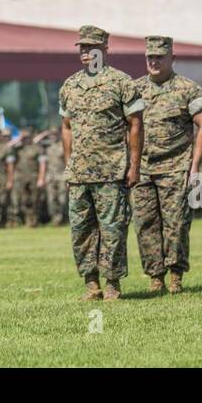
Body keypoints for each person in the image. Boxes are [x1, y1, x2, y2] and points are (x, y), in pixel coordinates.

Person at [58, 24, 144, 301]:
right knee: (81, 229)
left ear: (104, 49)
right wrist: (68, 162)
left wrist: (134, 166)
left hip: (111, 169)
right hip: (80, 172)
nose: (86, 52)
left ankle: (112, 284)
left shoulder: (121, 82)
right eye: (82, 47)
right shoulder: (70, 85)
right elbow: (66, 127)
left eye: (91, 47)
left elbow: (135, 125)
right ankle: (91, 283)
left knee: (113, 229)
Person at [133, 35, 202, 294]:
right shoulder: (134, 90)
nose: (154, 62)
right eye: (150, 57)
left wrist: (194, 165)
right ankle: (155, 276)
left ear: (172, 59)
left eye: (159, 57)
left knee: (176, 224)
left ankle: (175, 274)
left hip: (176, 167)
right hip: (143, 168)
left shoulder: (187, 89)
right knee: (145, 224)